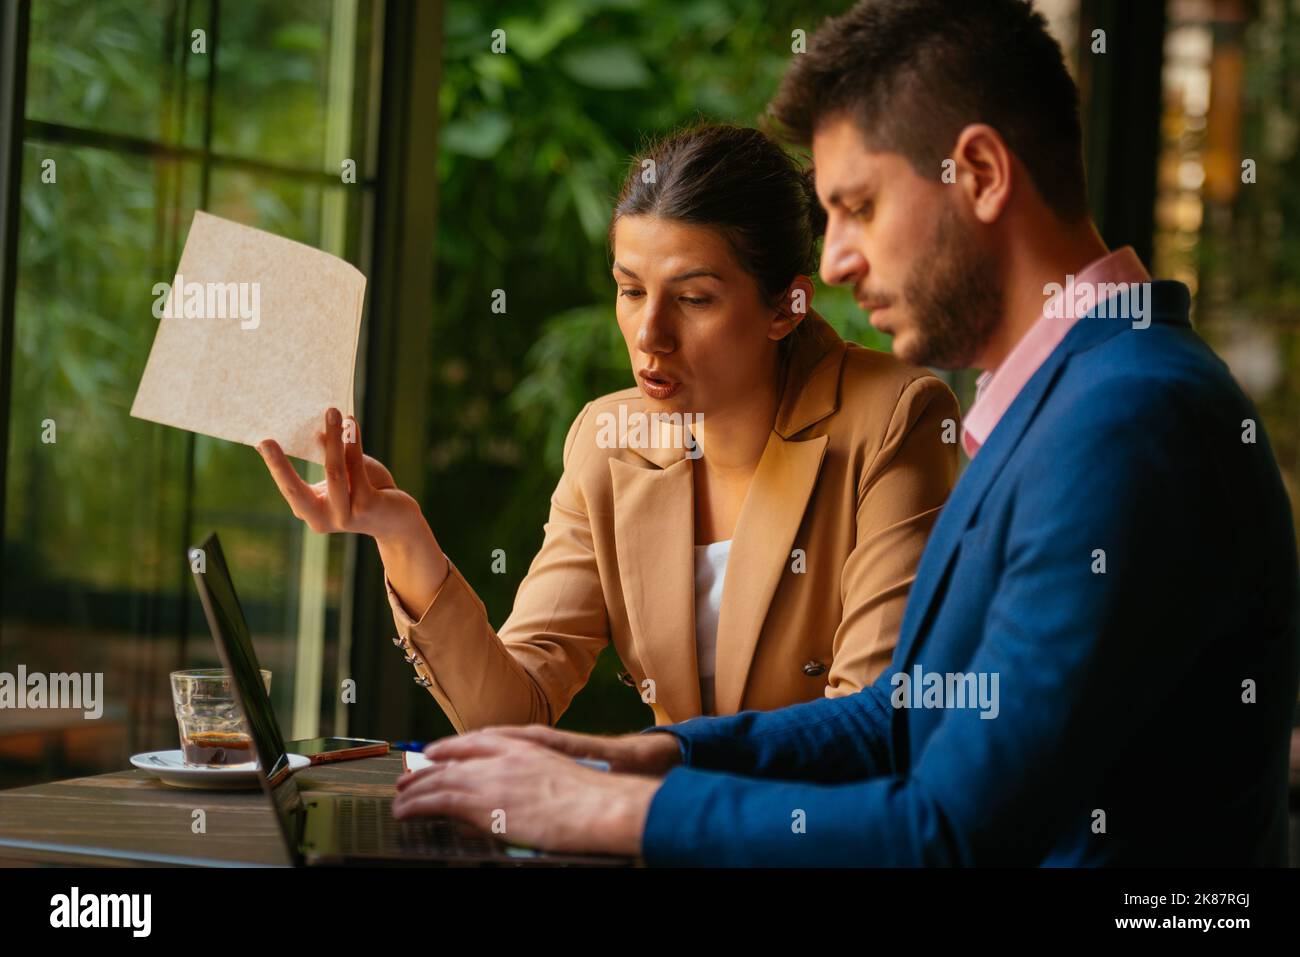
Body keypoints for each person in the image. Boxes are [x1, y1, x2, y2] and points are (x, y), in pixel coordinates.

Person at [390, 0, 1300, 867]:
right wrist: (652, 756)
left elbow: (948, 832)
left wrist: (614, 810)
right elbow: (899, 717)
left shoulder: (1125, 418)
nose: (831, 262)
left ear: (979, 175)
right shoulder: (1063, 401)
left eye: (859, 207)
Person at [258, 122, 959, 731]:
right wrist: (402, 534)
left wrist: (640, 773)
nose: (649, 333)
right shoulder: (609, 439)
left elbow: (868, 723)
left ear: (787, 307)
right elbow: (514, 708)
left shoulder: (895, 419)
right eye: (630, 291)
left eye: (693, 298)